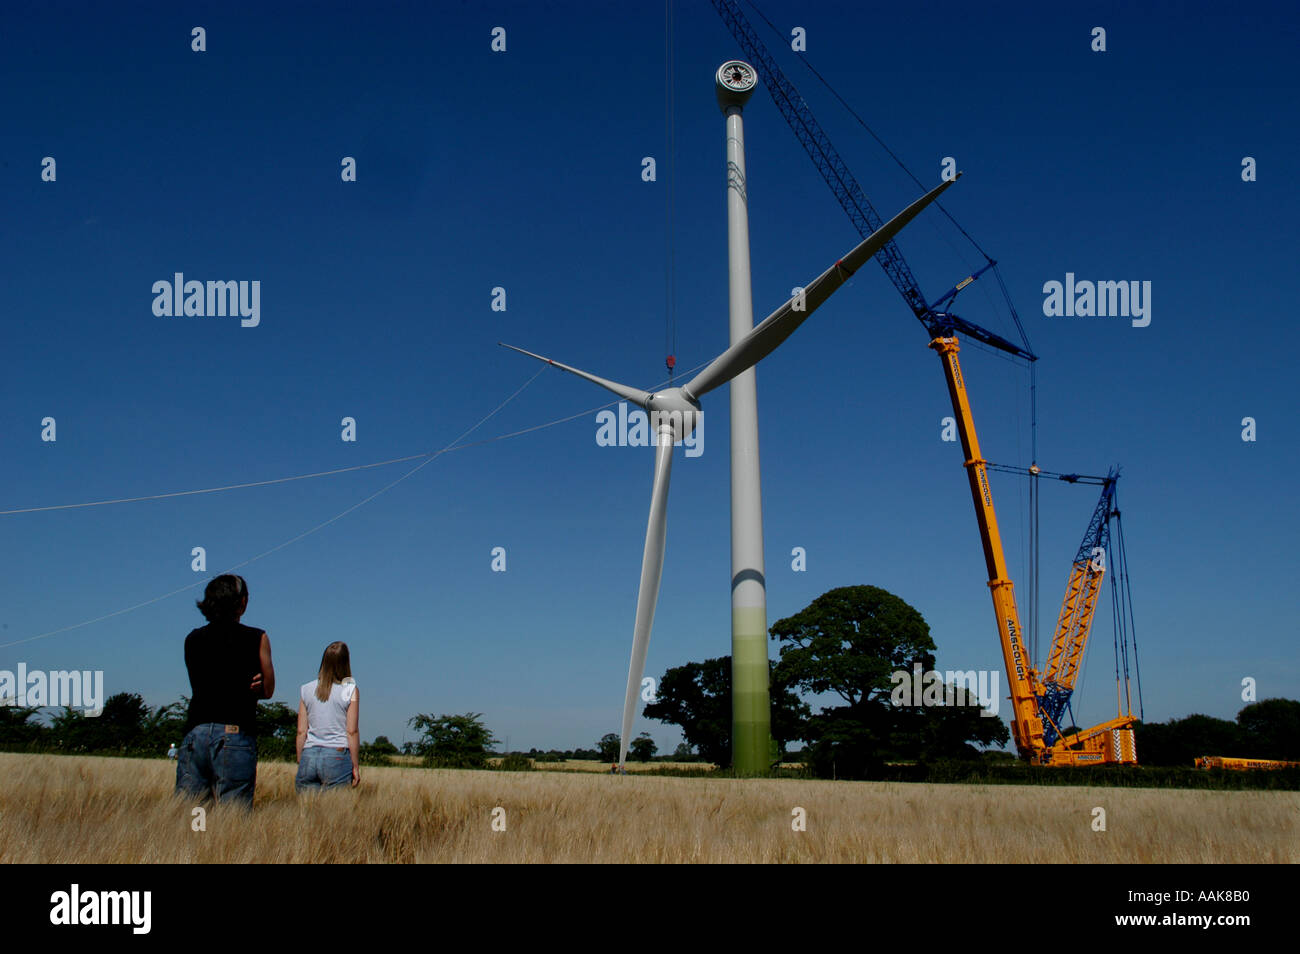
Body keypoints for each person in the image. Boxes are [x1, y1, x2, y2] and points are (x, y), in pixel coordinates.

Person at [175, 574, 274, 808]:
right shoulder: (257, 637)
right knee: (233, 819)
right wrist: (257, 686)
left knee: (191, 817)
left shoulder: (193, 639)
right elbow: (268, 690)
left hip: (195, 733)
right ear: (242, 603)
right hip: (235, 732)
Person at [295, 641, 360, 791]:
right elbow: (352, 731)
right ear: (345, 662)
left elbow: (301, 731)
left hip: (309, 754)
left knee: (307, 812)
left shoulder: (306, 689)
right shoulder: (351, 691)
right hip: (336, 756)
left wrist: (301, 759)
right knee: (335, 813)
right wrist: (355, 765)